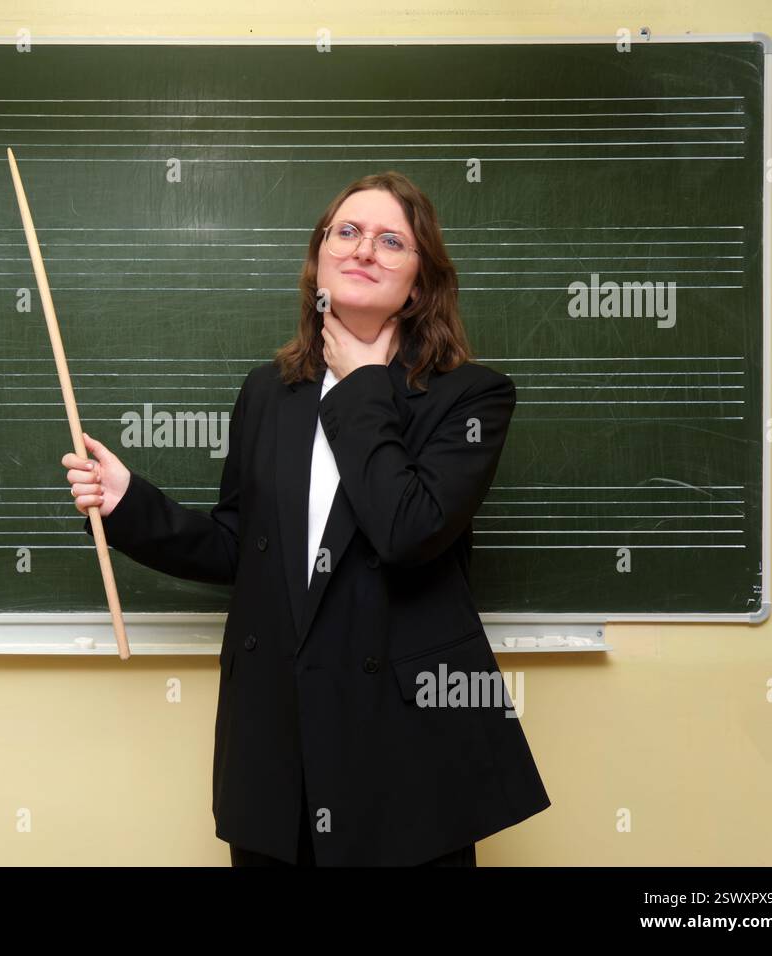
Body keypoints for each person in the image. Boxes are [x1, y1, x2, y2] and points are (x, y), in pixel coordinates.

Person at [62, 171, 550, 866]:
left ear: (418, 284)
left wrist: (363, 387)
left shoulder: (471, 399)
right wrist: (128, 503)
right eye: (346, 233)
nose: (363, 250)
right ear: (319, 259)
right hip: (277, 741)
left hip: (404, 749)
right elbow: (241, 547)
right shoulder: (270, 392)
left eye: (391, 241)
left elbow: (406, 529)